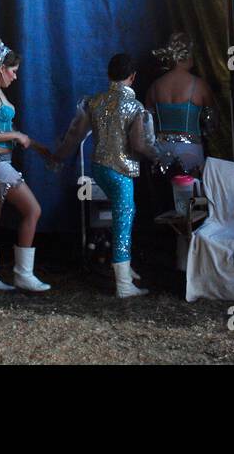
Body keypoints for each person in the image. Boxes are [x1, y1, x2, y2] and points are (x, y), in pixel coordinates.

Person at [51, 53, 159, 298]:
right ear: (132, 77)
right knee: (124, 218)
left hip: (98, 168)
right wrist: (156, 155)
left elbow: (75, 135)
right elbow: (139, 144)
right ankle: (123, 283)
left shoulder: (95, 101)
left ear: (109, 75)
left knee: (123, 215)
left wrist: (57, 157)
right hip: (121, 171)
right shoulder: (134, 107)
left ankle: (124, 268)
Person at [0, 40, 52, 292]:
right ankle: (23, 274)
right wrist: (17, 137)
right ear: (0, 68)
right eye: (13, 71)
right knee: (32, 210)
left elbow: (0, 129)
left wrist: (33, 144)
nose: (15, 76)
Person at [146, 31, 215, 178]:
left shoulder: (155, 86)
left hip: (161, 151)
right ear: (188, 55)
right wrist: (205, 133)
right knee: (191, 196)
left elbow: (147, 128)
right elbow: (212, 123)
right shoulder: (200, 85)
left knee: (165, 196)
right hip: (190, 151)